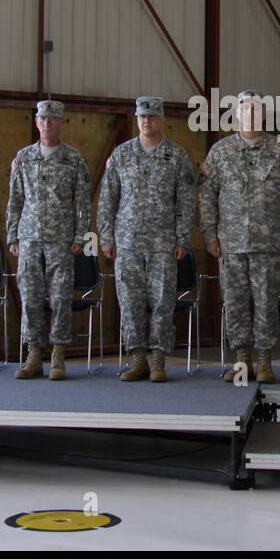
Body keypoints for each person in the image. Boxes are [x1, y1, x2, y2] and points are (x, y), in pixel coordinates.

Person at [198, 90, 280, 383]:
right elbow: (207, 197)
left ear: (265, 115)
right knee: (235, 303)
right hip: (230, 243)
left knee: (266, 303)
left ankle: (265, 361)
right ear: (236, 115)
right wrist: (209, 234)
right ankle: (242, 360)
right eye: (245, 110)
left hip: (269, 244)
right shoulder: (220, 152)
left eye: (256, 110)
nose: (251, 115)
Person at [97, 96, 195, 383]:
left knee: (163, 302)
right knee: (129, 302)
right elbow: (107, 199)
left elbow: (186, 202)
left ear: (162, 119)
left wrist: (182, 239)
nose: (146, 122)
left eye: (151, 117)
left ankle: (159, 361)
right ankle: (137, 359)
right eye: (141, 117)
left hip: (163, 243)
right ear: (136, 119)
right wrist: (106, 237)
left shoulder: (177, 156)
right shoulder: (121, 155)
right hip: (126, 242)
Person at [5, 99, 92, 381]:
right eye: (42, 119)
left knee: (60, 298)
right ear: (36, 121)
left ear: (61, 123)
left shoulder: (73, 159)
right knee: (29, 296)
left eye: (53, 119)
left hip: (61, 238)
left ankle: (57, 355)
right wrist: (12, 235)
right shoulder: (24, 158)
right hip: (29, 237)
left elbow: (82, 202)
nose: (47, 123)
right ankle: (33, 355)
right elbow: (15, 200)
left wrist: (80, 235)